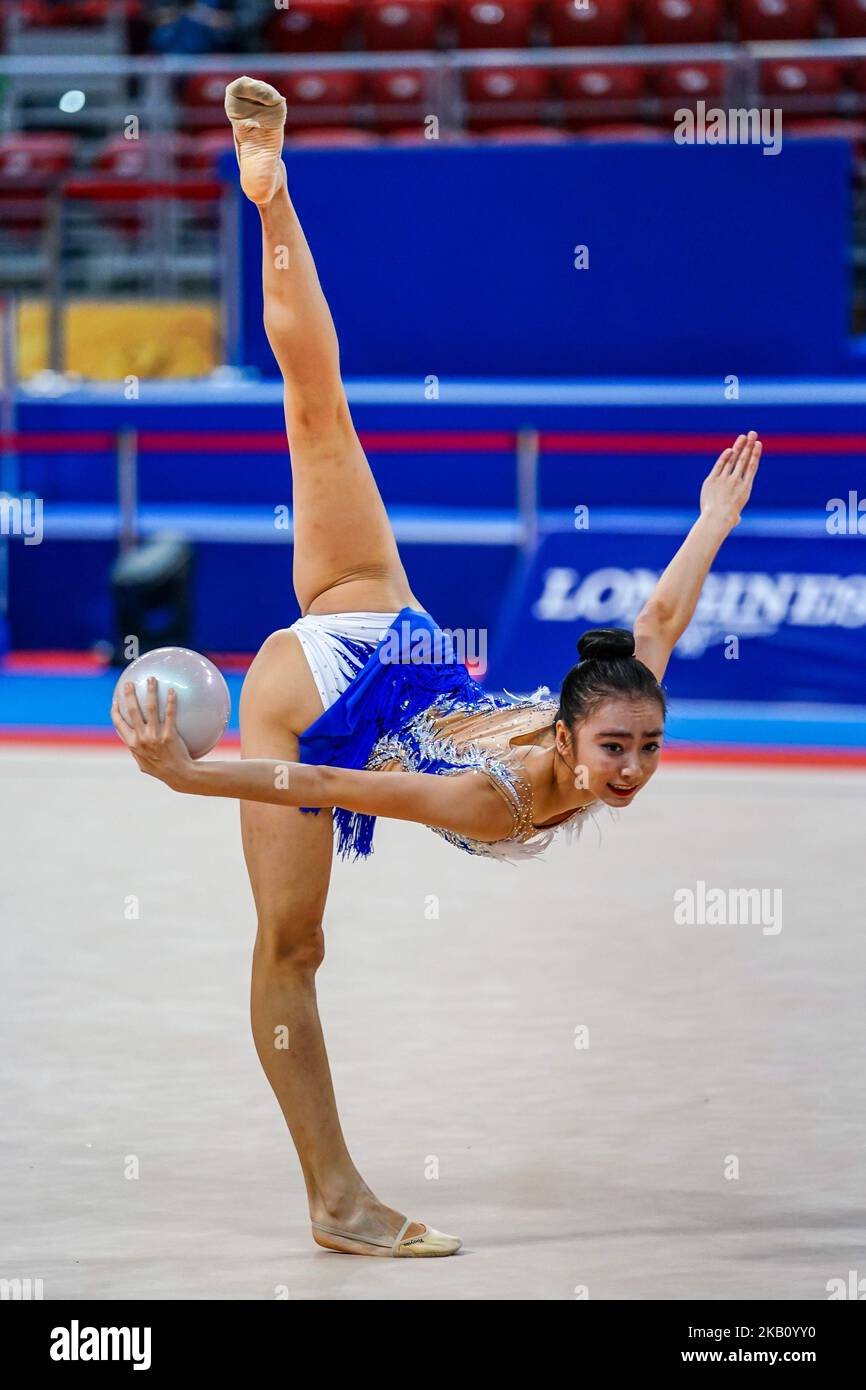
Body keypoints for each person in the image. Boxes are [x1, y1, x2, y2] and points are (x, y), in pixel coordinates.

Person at [110, 77, 763, 1258]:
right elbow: (333, 788)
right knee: (291, 948)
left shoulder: (601, 700)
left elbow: (655, 624)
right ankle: (334, 1200)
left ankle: (269, 199)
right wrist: (182, 775)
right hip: (312, 696)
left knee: (318, 411)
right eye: (616, 746)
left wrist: (712, 522)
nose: (630, 765)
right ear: (567, 735)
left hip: (392, 634)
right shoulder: (499, 796)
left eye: (643, 749)